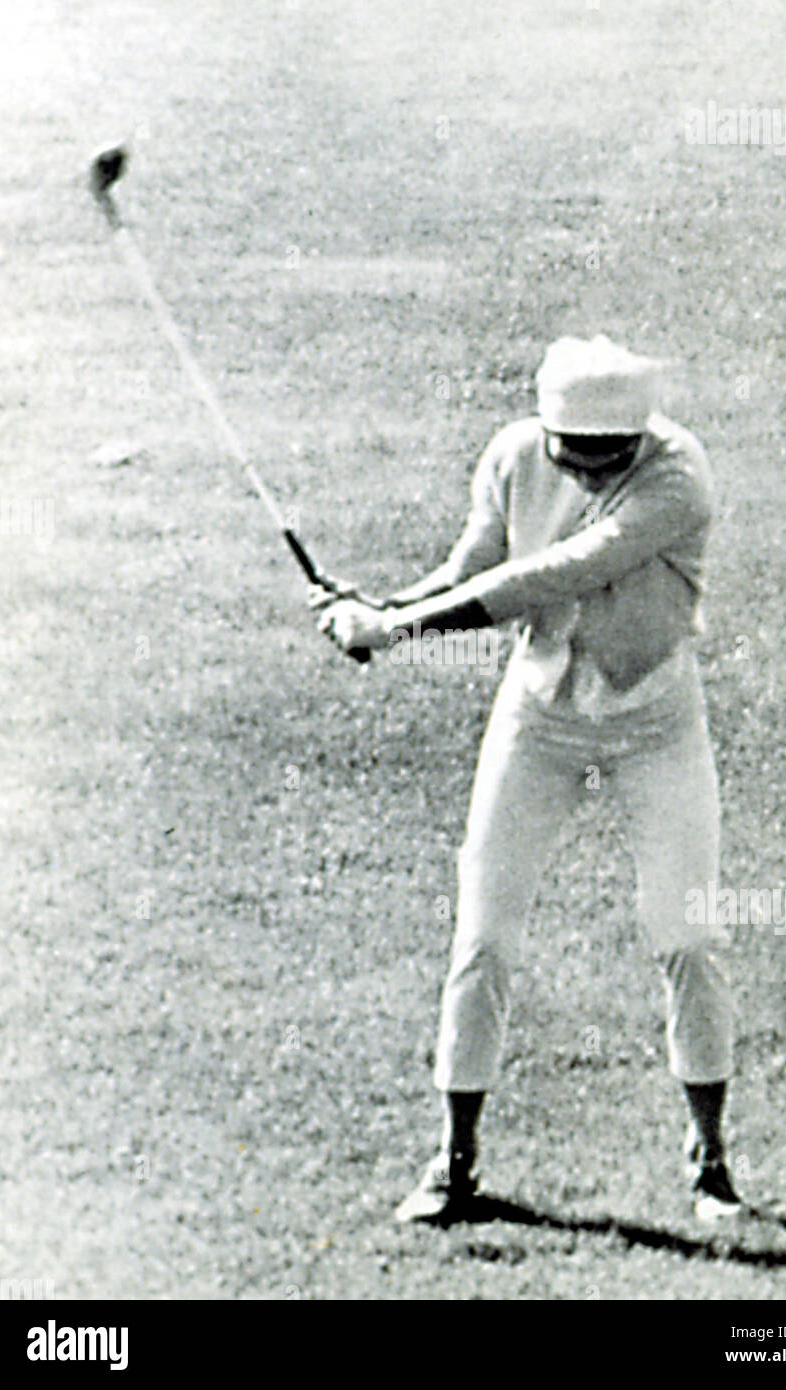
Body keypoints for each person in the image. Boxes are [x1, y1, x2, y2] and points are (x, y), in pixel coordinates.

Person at [313, 334, 740, 1225]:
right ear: (544, 433)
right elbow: (474, 565)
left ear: (636, 440)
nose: (586, 476)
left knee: (685, 935)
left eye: (605, 461)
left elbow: (553, 572)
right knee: (482, 934)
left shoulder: (677, 476)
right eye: (570, 458)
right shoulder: (513, 454)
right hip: (538, 717)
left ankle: (710, 1161)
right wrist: (386, 607)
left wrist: (399, 631)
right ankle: (453, 1162)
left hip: (656, 721)